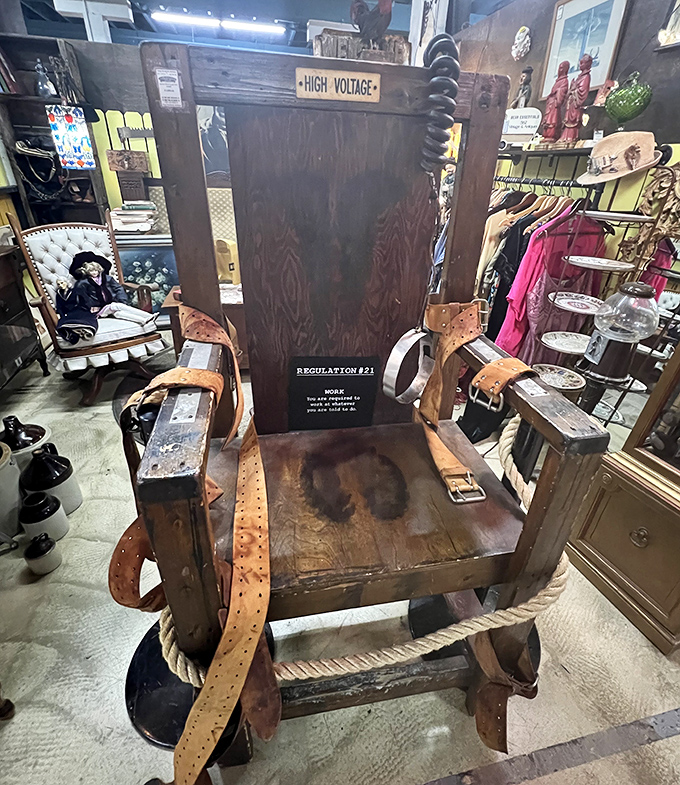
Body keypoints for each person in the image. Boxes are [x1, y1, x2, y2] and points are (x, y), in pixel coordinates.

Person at [560, 54, 593, 143]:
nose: (580, 64)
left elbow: (582, 90)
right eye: (580, 62)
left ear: (588, 64)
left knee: (573, 119)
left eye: (582, 63)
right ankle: (565, 137)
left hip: (576, 102)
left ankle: (571, 137)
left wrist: (573, 90)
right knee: (568, 119)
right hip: (571, 102)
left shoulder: (586, 76)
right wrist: (571, 88)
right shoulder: (579, 76)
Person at [542, 60, 570, 141]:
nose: (559, 70)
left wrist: (558, 91)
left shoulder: (565, 81)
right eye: (559, 68)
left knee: (553, 120)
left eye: (561, 68)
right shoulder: (557, 81)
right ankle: (547, 135)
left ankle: (552, 135)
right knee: (548, 120)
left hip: (555, 104)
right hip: (551, 104)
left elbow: (562, 91)